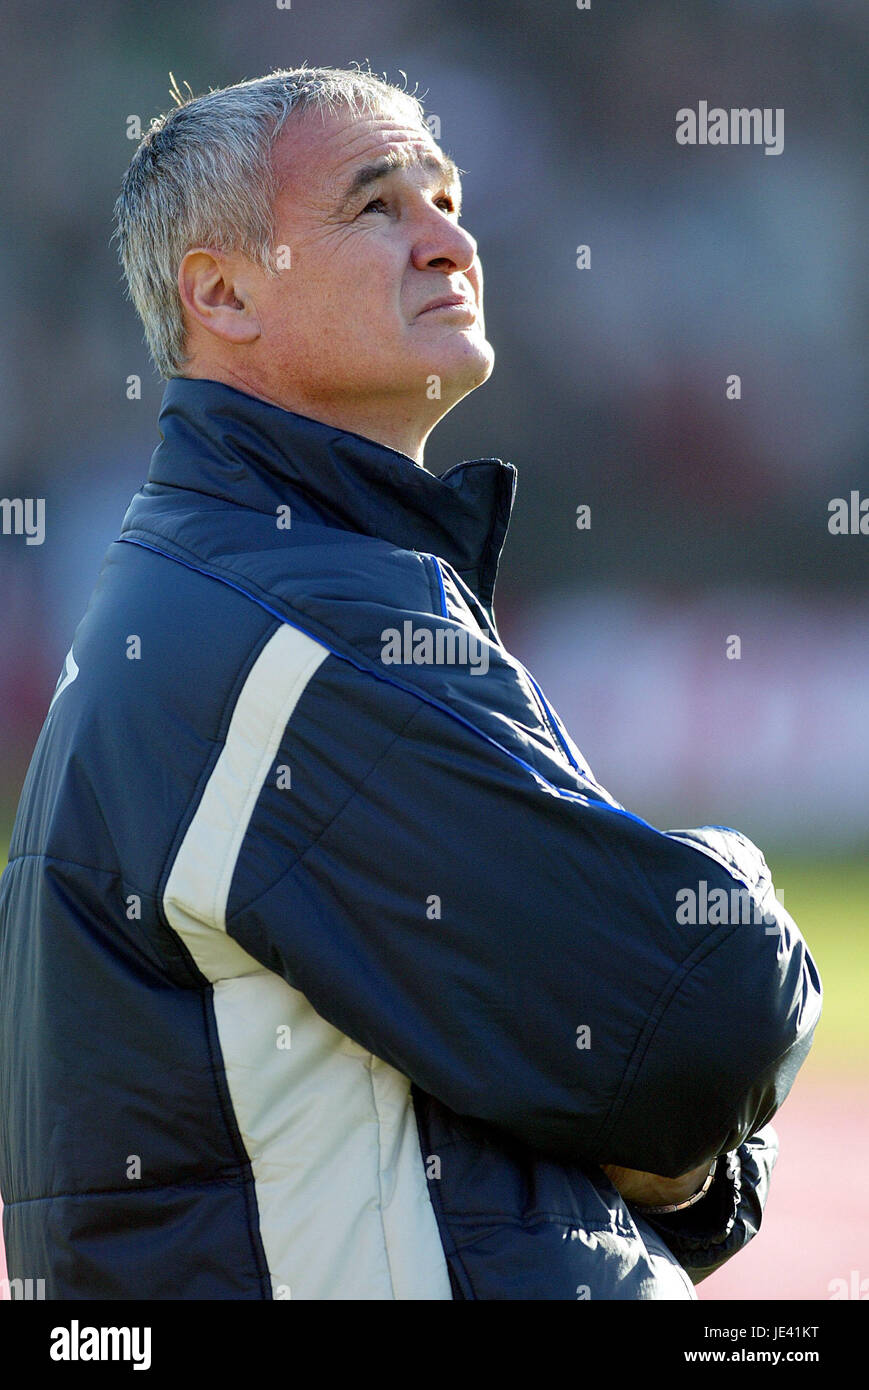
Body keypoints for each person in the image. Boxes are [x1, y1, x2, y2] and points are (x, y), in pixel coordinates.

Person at [0, 66, 821, 1300]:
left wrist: (673, 1142)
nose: (448, 238)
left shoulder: (246, 583)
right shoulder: (293, 622)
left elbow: (607, 1089)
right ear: (218, 290)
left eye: (446, 197)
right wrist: (734, 882)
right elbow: (702, 1007)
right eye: (377, 205)